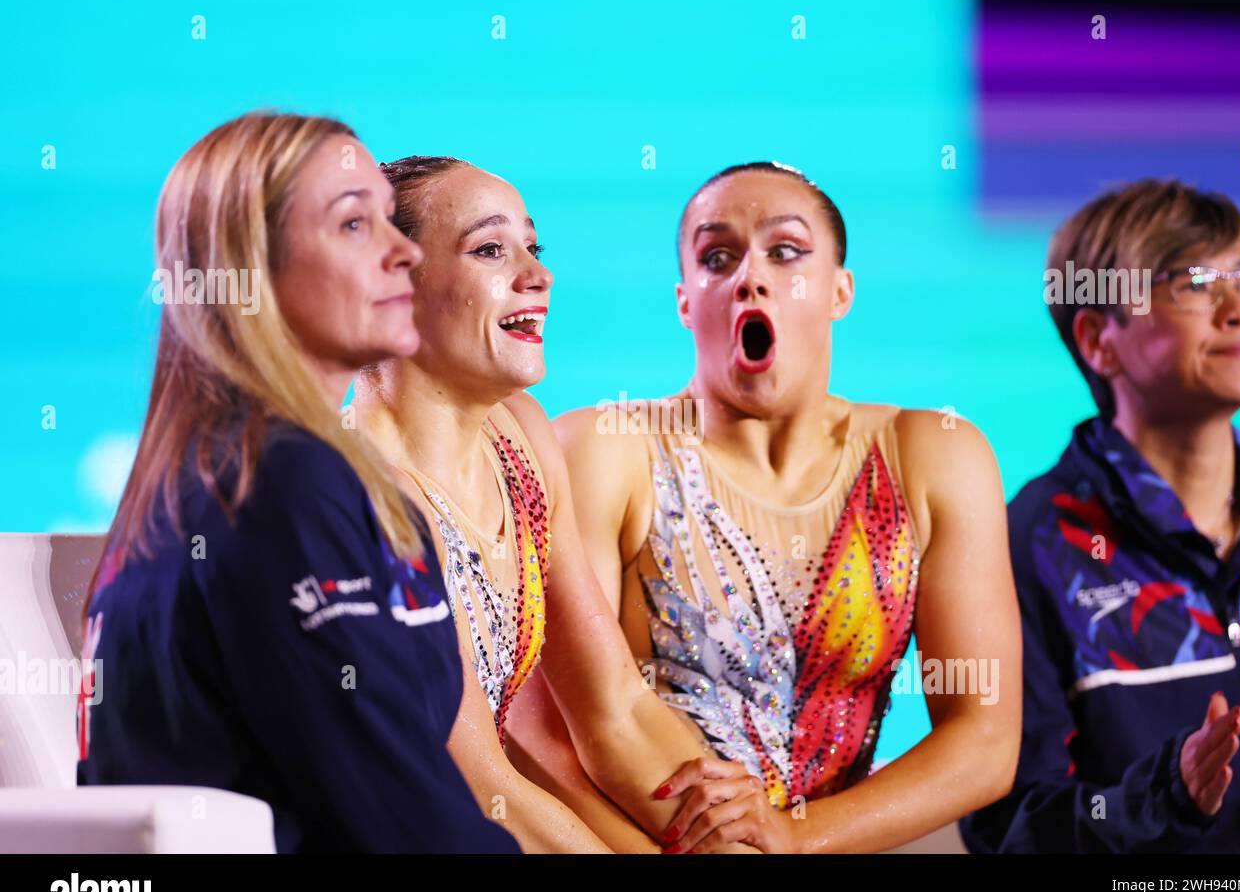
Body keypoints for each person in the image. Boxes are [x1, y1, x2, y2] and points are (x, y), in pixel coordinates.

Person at [77, 112, 519, 853]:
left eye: (390, 219)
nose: (403, 252)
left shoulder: (239, 470)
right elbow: (402, 823)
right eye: (354, 226)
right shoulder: (280, 483)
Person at [557, 161, 1022, 853]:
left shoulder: (933, 455)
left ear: (840, 291)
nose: (750, 276)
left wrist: (796, 837)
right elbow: (562, 734)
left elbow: (984, 742)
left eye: (786, 252)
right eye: (717, 258)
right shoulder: (604, 450)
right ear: (686, 301)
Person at [353, 157, 752, 853]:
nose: (539, 277)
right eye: (489, 250)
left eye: (534, 249)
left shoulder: (522, 433)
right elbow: (476, 784)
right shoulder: (357, 493)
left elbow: (616, 711)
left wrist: (731, 836)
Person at [960, 179, 1240, 853]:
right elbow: (1010, 831)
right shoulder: (1031, 547)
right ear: (1099, 340)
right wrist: (1162, 794)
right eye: (1196, 282)